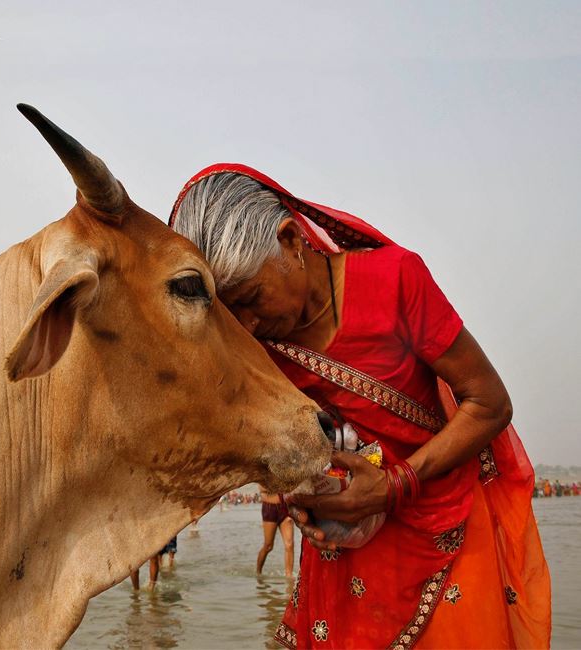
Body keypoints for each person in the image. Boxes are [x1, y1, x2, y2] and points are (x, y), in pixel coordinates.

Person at [170, 164, 550, 649]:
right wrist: (302, 505)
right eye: (231, 314)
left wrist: (393, 487)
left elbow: (491, 403)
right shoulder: (259, 348)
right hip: (345, 549)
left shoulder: (395, 281)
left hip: (443, 523)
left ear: (290, 241)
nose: (246, 325)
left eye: (251, 299)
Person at [258, 484, 295, 577]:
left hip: (285, 508)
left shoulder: (287, 470)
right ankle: (258, 572)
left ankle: (289, 576)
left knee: (289, 544)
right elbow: (262, 488)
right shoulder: (266, 470)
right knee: (268, 546)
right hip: (270, 508)